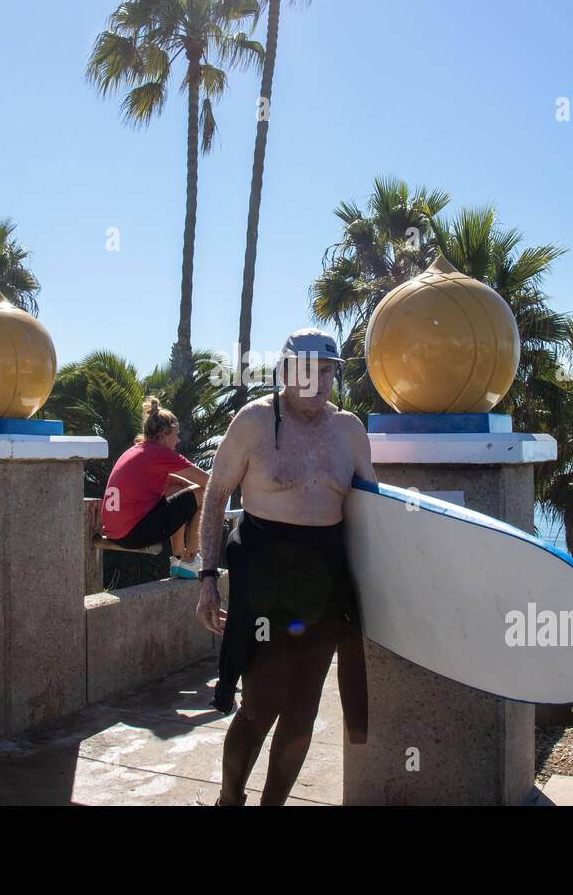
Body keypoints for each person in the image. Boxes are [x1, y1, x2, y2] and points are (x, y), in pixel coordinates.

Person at [195, 328, 372, 806]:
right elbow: (215, 499)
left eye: (328, 371)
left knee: (302, 714)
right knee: (260, 706)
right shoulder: (254, 422)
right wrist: (208, 579)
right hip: (265, 580)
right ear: (286, 372)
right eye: (307, 371)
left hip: (325, 587)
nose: (318, 381)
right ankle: (230, 800)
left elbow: (373, 517)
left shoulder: (350, 431)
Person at [101, 396, 209, 577]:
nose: (179, 440)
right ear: (166, 433)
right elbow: (210, 482)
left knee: (176, 489)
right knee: (208, 493)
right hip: (133, 533)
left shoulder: (137, 450)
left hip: (115, 533)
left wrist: (186, 490)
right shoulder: (161, 453)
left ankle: (178, 558)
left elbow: (172, 483)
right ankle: (190, 559)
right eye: (177, 434)